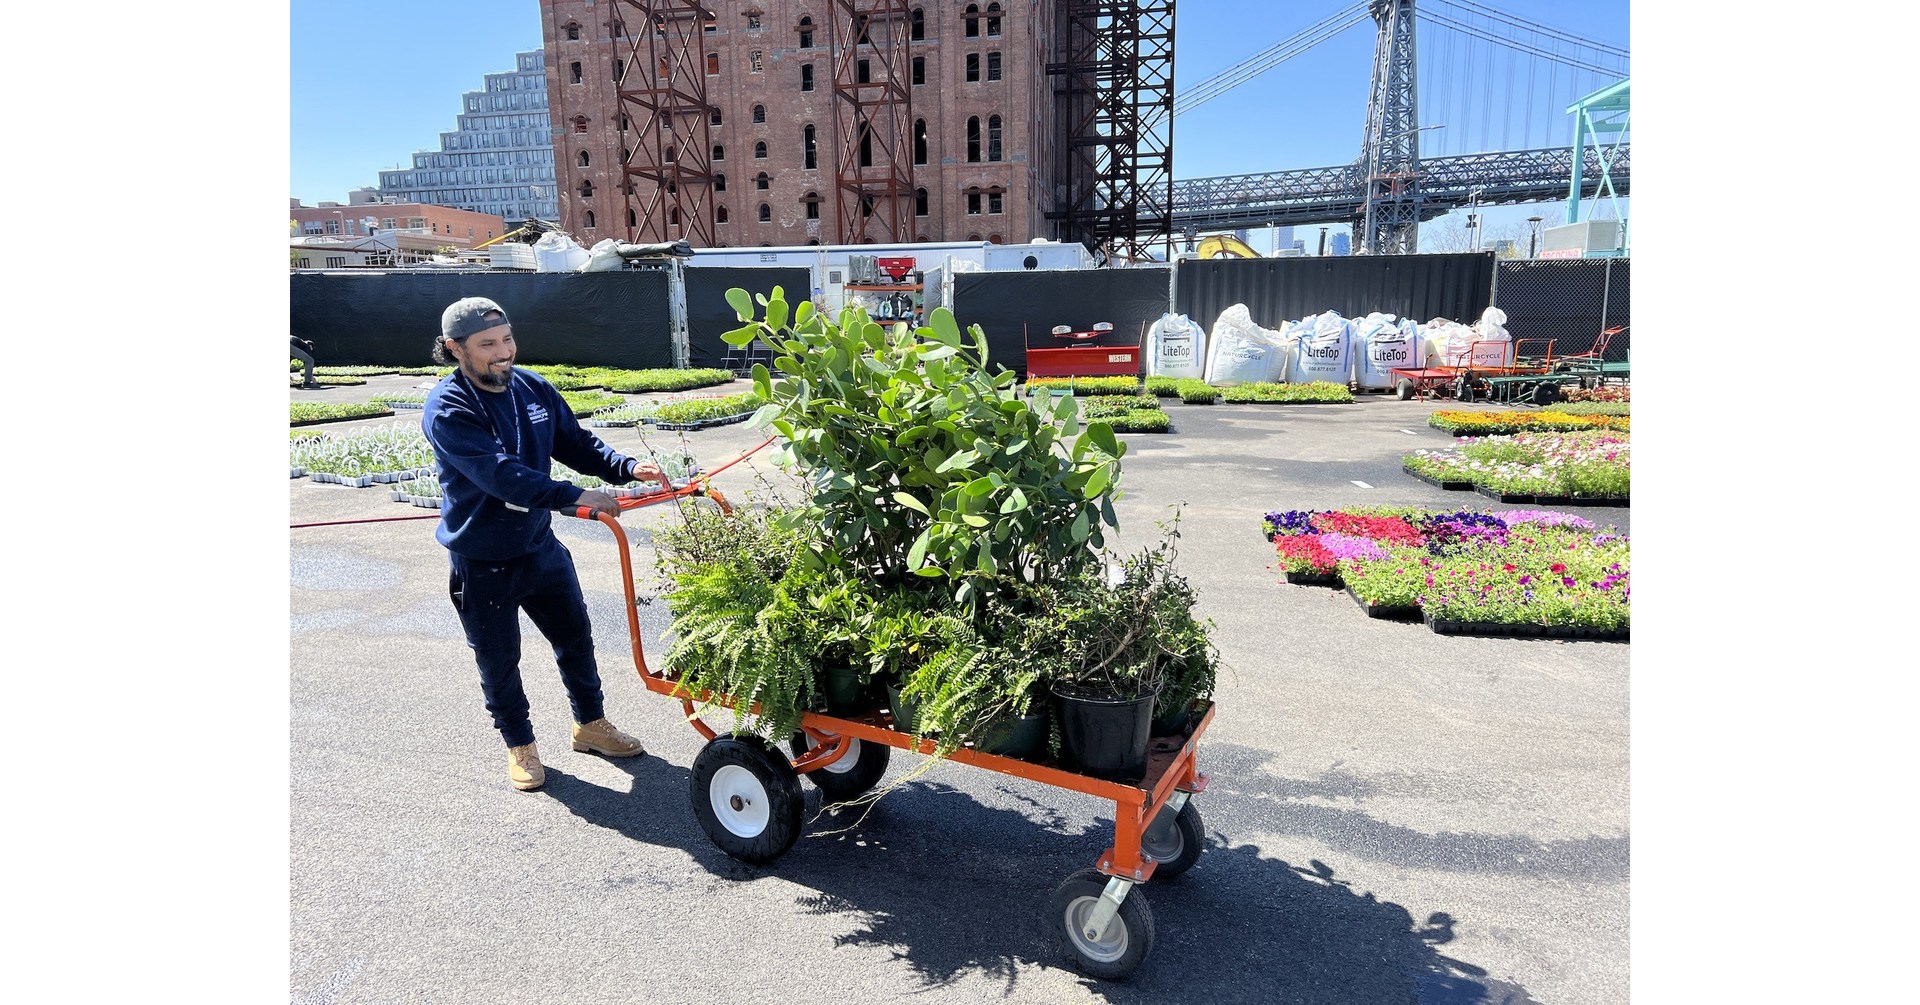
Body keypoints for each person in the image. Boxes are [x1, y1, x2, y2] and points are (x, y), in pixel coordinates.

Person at [422, 297, 667, 791]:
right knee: (499, 660)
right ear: (455, 349)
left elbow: (575, 442)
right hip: (482, 560)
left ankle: (590, 725)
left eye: (507, 339)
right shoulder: (448, 409)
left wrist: (623, 467)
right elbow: (503, 477)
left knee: (575, 638)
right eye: (487, 345)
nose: (503, 352)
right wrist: (574, 496)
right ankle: (521, 746)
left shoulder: (532, 387)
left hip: (538, 546)